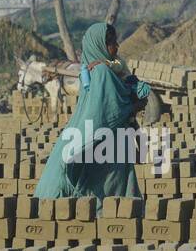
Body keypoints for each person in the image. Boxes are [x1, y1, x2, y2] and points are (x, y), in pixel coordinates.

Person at [35, 22, 152, 202]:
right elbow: (105, 111)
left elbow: (121, 67)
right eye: (112, 42)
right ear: (99, 45)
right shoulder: (101, 72)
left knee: (115, 200)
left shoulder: (106, 67)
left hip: (107, 141)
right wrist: (132, 107)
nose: (117, 46)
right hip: (98, 139)